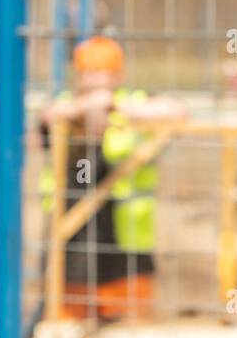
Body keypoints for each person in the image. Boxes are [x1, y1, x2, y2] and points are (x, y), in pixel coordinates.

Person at [38, 35, 187, 321]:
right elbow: (47, 117)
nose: (94, 81)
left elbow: (177, 110)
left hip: (124, 242)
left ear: (119, 75)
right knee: (68, 320)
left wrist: (114, 108)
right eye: (88, 73)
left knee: (129, 330)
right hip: (71, 239)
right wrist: (85, 108)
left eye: (102, 73)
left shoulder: (136, 102)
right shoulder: (67, 104)